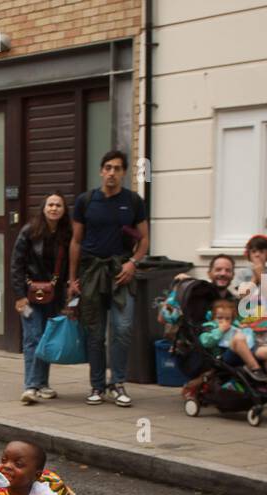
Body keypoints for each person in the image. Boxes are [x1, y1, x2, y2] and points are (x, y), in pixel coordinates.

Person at [67, 149, 149, 408]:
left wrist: (132, 263)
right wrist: (72, 279)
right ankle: (97, 386)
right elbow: (76, 241)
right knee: (95, 333)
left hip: (120, 273)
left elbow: (144, 238)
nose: (112, 172)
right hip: (91, 273)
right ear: (101, 171)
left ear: (124, 173)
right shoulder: (86, 200)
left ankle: (118, 383)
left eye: (117, 168)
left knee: (122, 329)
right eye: (108, 167)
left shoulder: (133, 201)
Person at [11, 192, 72, 405]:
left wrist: (69, 298)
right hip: (30, 295)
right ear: (44, 208)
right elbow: (16, 264)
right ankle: (31, 386)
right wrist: (19, 296)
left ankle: (43, 384)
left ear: (64, 210)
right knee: (33, 338)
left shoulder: (67, 233)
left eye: (58, 205)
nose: (54, 208)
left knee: (48, 339)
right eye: (50, 205)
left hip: (55, 296)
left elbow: (69, 267)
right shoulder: (29, 231)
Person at [198, 295, 267, 384]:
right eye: (219, 318)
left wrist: (244, 329)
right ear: (212, 317)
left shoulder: (235, 326)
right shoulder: (210, 327)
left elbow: (248, 338)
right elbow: (205, 342)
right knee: (239, 338)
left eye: (228, 318)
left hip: (245, 352)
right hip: (224, 356)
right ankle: (255, 369)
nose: (224, 321)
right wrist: (220, 331)